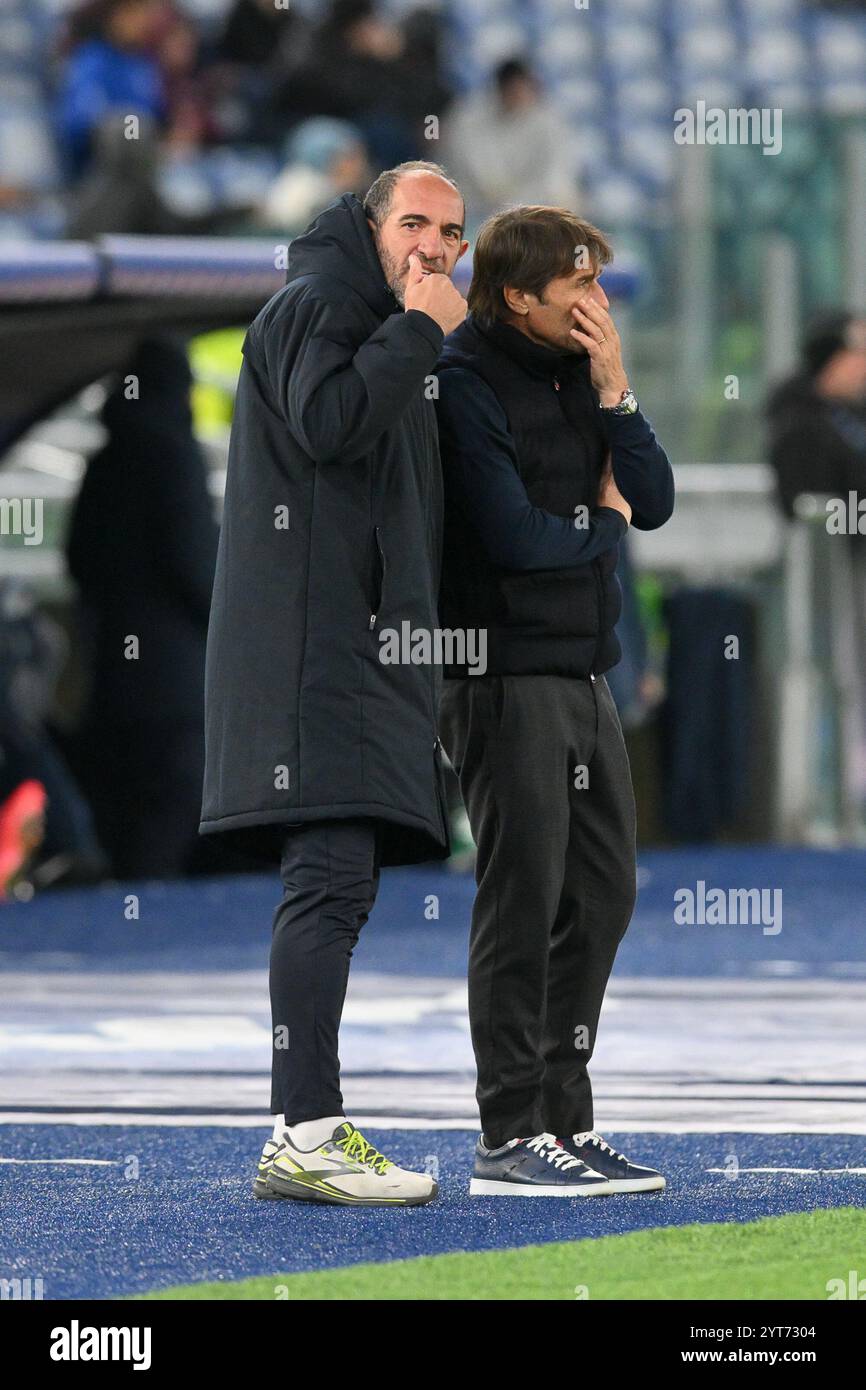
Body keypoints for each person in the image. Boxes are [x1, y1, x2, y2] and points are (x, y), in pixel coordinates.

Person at [200, 162, 468, 1206]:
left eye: (451, 232)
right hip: (316, 656)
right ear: (372, 225)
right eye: (414, 223)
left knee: (334, 884)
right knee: (326, 884)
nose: (434, 247)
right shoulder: (319, 304)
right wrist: (417, 332)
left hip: (348, 653)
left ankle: (304, 1123)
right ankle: (303, 1127)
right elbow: (327, 423)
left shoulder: (377, 319)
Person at [436, 206, 674, 1196]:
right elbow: (512, 539)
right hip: (499, 672)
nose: (595, 302)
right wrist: (603, 520)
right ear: (517, 295)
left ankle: (561, 1119)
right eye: (576, 286)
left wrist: (617, 394)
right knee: (521, 895)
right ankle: (506, 1132)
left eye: (596, 282)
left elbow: (651, 499)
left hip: (581, 668)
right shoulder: (459, 382)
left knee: (602, 893)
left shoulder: (584, 371)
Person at [67, 339, 219, 880]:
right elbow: (196, 564)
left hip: (110, 673)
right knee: (171, 810)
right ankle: (146, 922)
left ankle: (117, 910)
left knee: (120, 808)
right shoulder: (174, 453)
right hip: (174, 681)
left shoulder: (105, 461)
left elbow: (78, 562)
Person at [442, 59, 579, 228]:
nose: (518, 95)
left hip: (533, 207)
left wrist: (521, 205)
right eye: (513, 89)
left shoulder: (548, 121)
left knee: (563, 197)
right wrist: (502, 201)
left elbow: (555, 174)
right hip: (477, 207)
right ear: (500, 89)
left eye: (522, 88)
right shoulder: (468, 118)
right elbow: (475, 172)